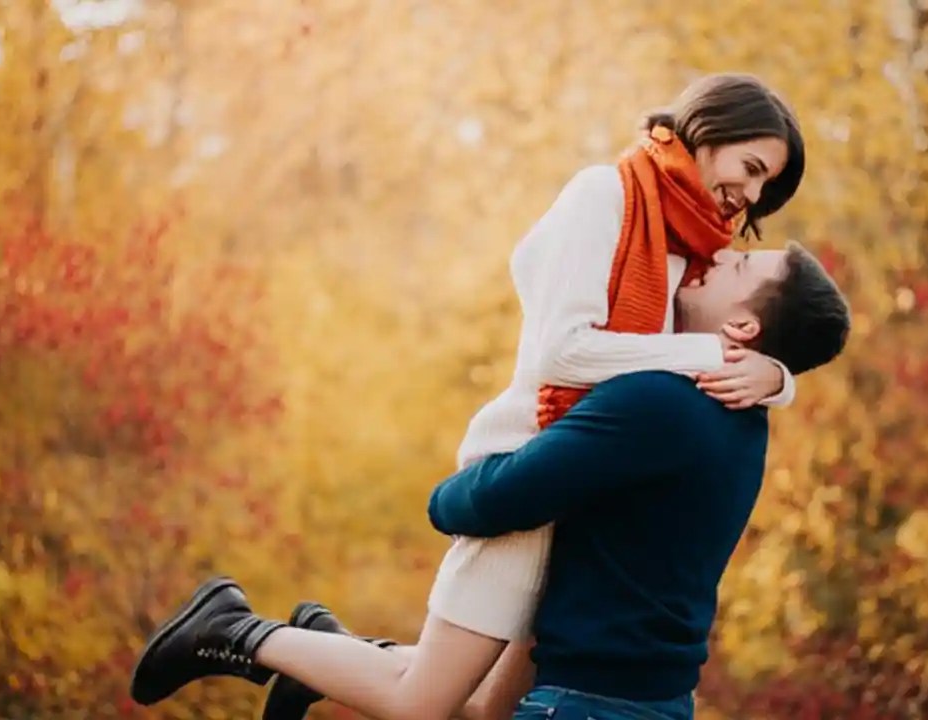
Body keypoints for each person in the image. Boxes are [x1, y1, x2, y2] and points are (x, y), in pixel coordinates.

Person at [130, 72, 809, 719]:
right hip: (531, 467)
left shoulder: (691, 249)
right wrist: (714, 354)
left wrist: (777, 378)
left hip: (591, 503)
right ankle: (238, 629)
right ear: (709, 129)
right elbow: (564, 352)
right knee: (421, 703)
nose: (749, 198)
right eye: (750, 169)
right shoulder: (606, 194)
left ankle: (327, 651)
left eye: (765, 188)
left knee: (491, 708)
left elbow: (715, 349)